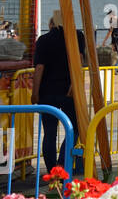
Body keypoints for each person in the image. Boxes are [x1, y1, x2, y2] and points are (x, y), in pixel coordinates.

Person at [32, 12, 85, 175]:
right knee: (75, 128)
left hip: (47, 92)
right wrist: (74, 84)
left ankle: (51, 171)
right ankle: (63, 161)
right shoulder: (77, 36)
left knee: (49, 132)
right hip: (68, 91)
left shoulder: (43, 40)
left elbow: (39, 68)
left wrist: (35, 92)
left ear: (51, 25)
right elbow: (80, 61)